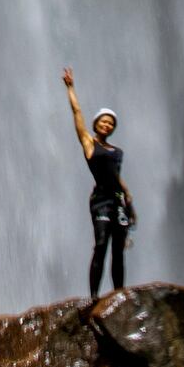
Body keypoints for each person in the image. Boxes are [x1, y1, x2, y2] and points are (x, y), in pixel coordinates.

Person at [62, 66, 136, 299]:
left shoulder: (117, 151)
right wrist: (70, 88)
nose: (107, 125)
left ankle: (119, 295)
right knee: (101, 243)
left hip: (119, 202)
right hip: (101, 200)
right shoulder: (89, 144)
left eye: (111, 123)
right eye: (103, 122)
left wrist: (130, 203)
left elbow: (117, 177)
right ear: (96, 124)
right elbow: (77, 112)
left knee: (118, 251)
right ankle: (94, 297)